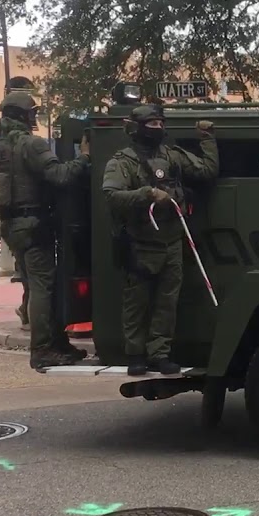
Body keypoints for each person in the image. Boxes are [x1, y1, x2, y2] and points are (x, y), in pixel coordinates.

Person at [0, 90, 91, 370]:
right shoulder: (29, 144)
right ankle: (42, 349)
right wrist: (85, 157)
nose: (33, 117)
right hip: (34, 224)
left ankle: (56, 343)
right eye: (31, 113)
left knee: (34, 285)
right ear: (23, 116)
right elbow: (61, 176)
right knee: (43, 289)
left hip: (11, 226)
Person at [102, 103, 219, 376]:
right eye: (152, 124)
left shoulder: (172, 156)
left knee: (167, 303)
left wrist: (207, 139)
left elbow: (205, 172)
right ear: (137, 128)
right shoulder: (122, 162)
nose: (158, 129)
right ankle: (135, 355)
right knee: (137, 304)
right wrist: (148, 194)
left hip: (172, 242)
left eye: (160, 124)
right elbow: (111, 197)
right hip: (140, 244)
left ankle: (159, 354)